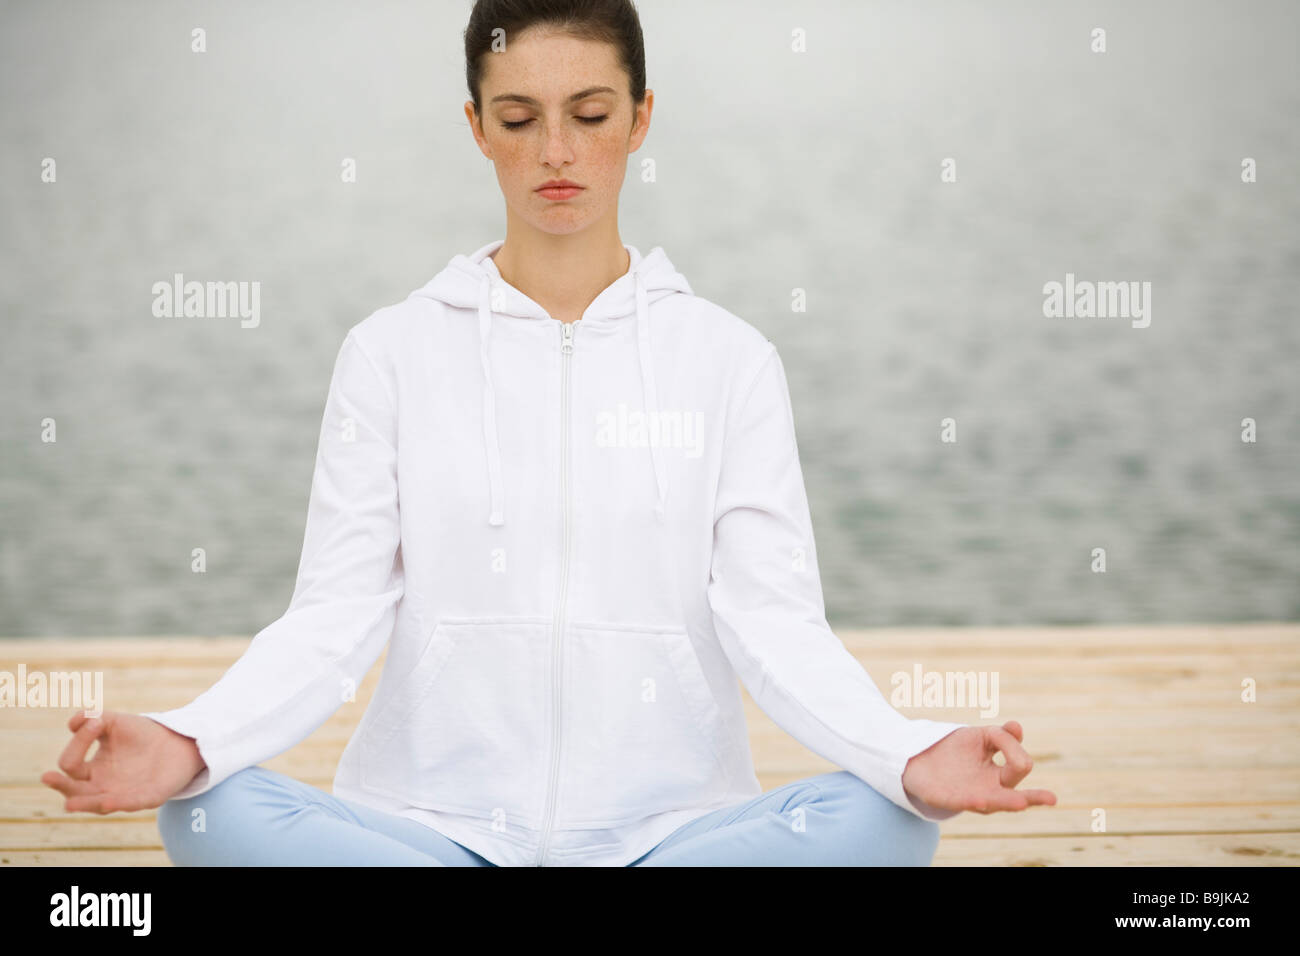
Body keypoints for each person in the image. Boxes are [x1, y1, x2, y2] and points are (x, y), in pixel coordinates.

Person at [42, 0, 1055, 867]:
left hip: (666, 837)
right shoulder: (389, 352)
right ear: (478, 127)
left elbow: (775, 621)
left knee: (888, 819)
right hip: (431, 831)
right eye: (520, 118)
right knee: (210, 808)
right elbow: (333, 616)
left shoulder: (726, 358)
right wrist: (191, 736)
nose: (557, 153)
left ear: (641, 118)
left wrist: (907, 748)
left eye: (590, 114)